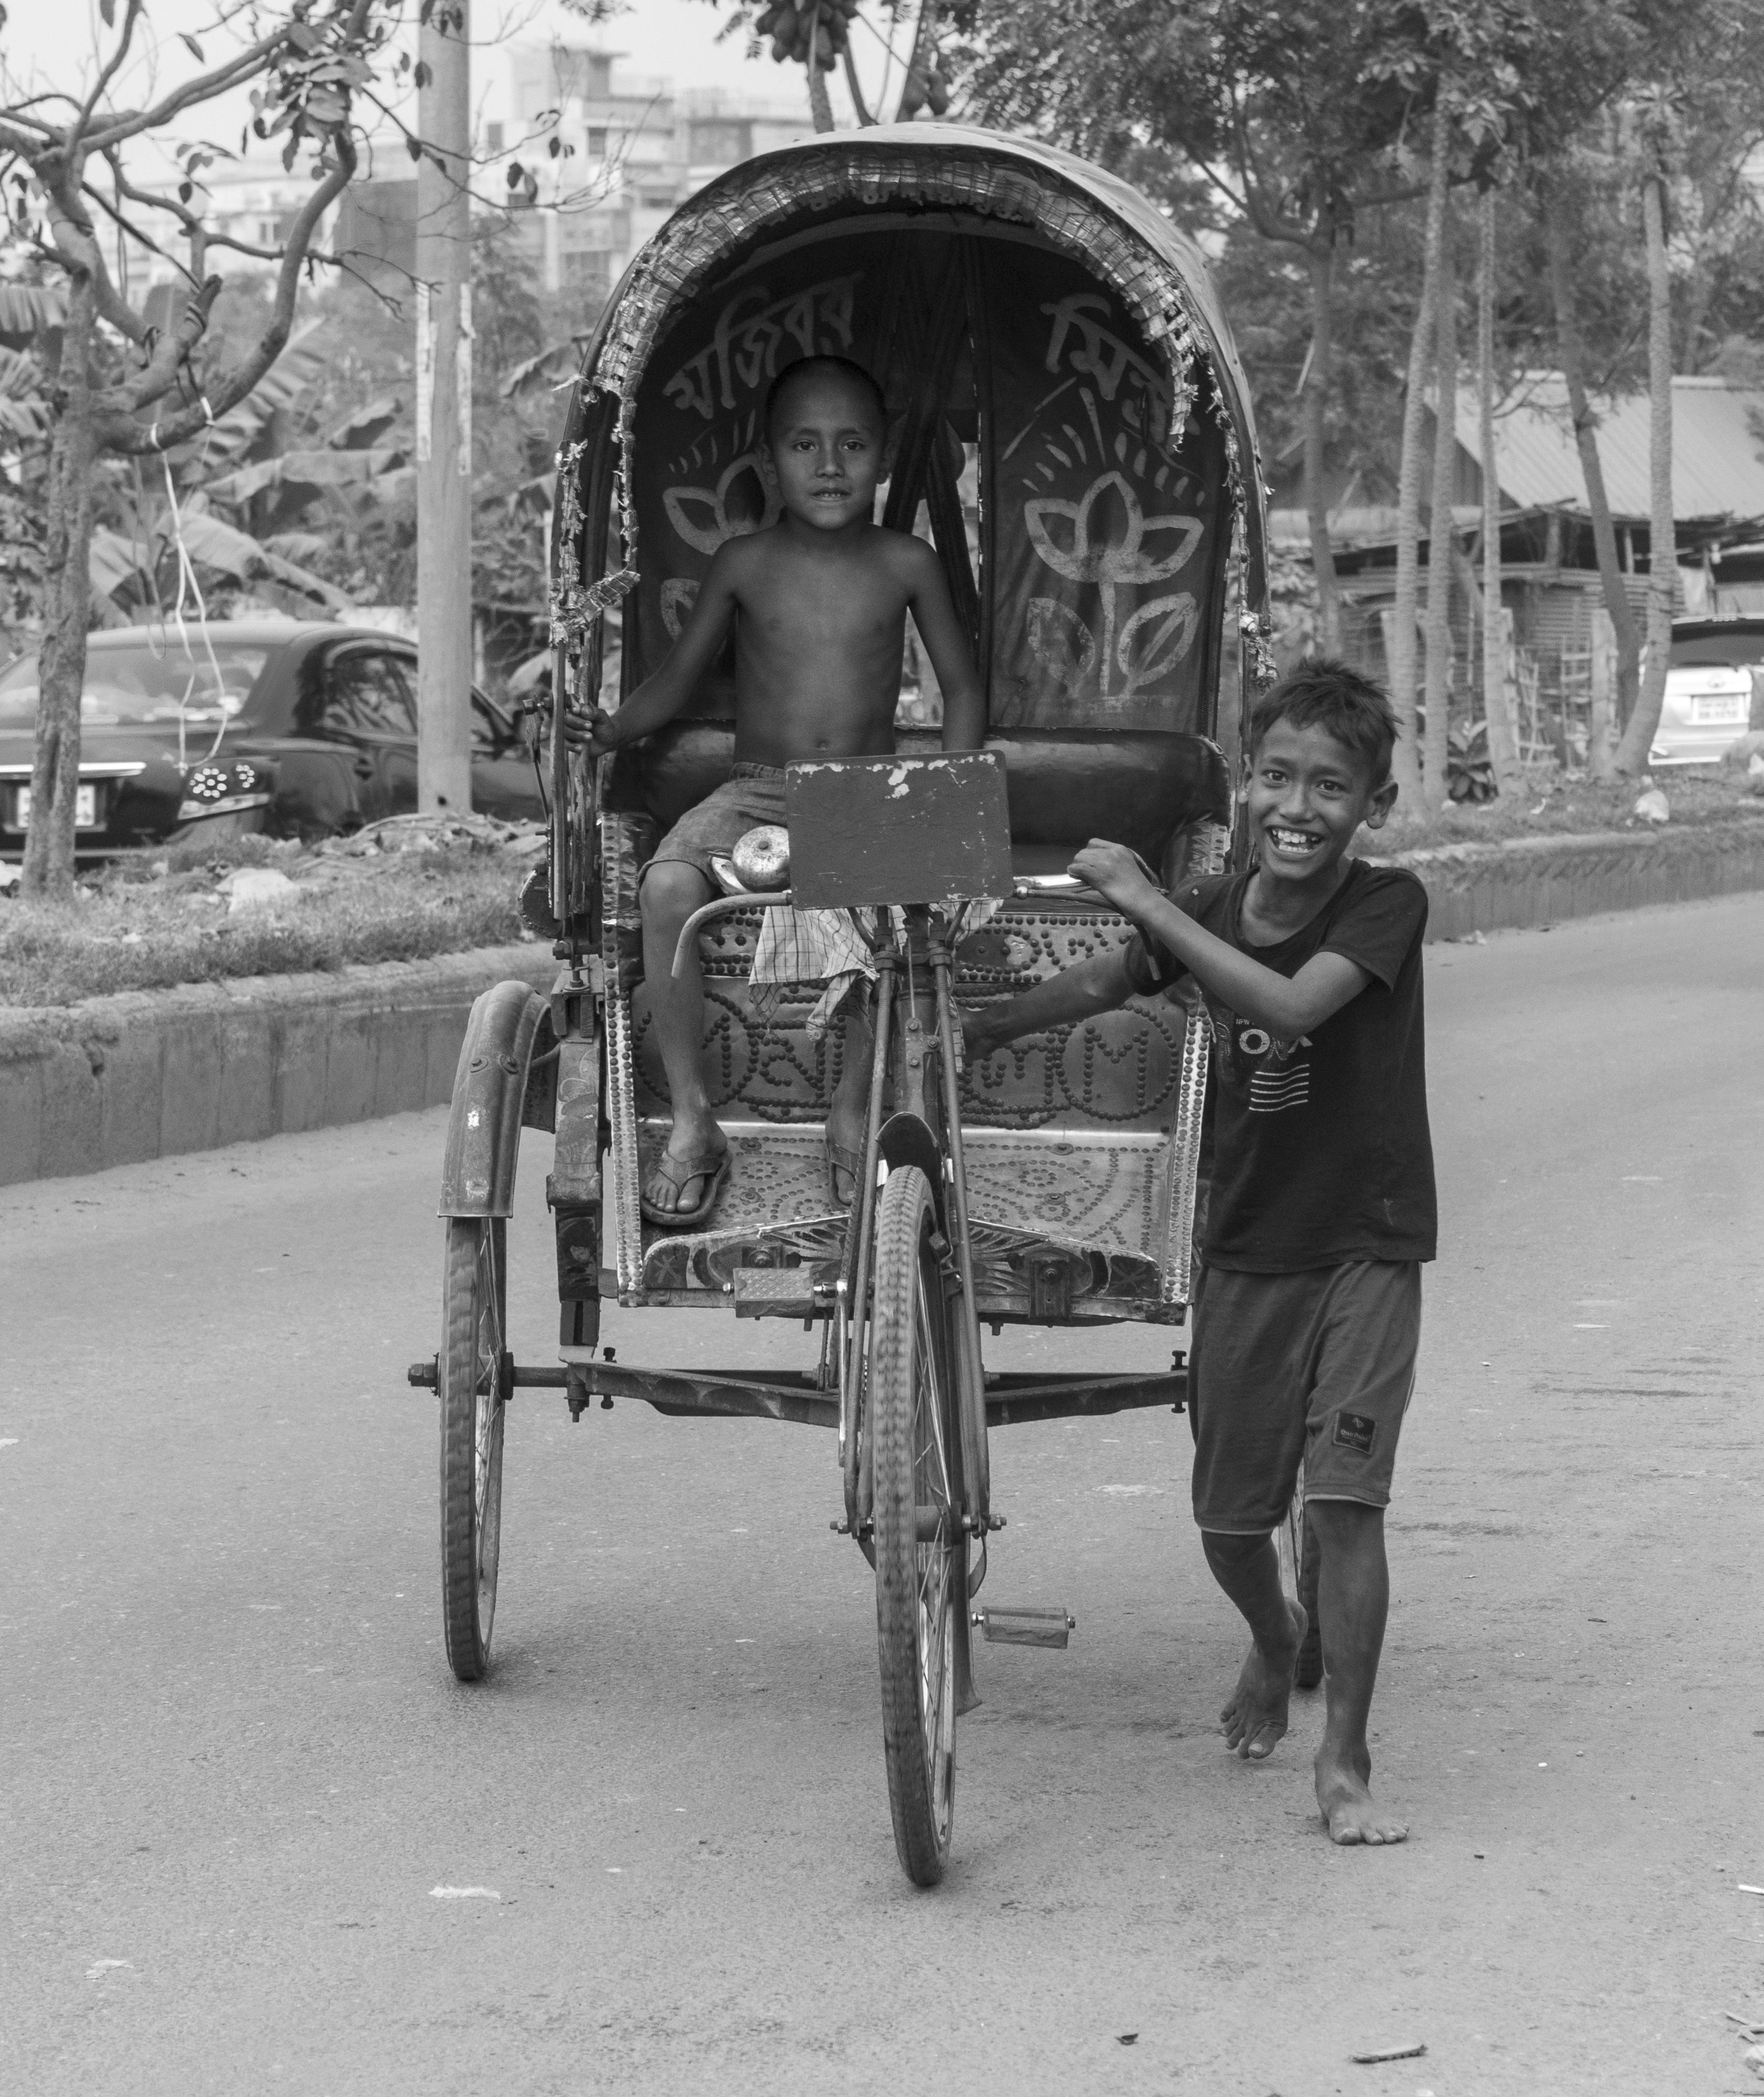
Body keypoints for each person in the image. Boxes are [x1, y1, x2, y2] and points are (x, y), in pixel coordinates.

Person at [964, 659, 1434, 1846]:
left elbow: (1285, 1008)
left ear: (1369, 807)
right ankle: (1276, 1640)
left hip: (1365, 1247)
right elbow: (1101, 980)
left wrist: (1146, 897)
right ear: (1248, 791)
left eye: (1330, 787)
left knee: (1343, 1506)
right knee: (1230, 1527)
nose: (1298, 806)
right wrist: (977, 1021)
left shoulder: (1387, 903)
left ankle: (1346, 1761)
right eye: (1276, 776)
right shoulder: (1218, 905)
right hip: (1247, 1250)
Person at [568, 354, 986, 1225]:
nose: (829, 465)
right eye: (805, 444)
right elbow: (678, 679)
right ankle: (691, 1119)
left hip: (869, 790)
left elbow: (962, 686)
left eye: (852, 444)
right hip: (756, 792)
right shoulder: (742, 563)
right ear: (770, 459)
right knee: (666, 887)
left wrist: (948, 791)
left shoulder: (907, 561)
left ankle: (852, 1109)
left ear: (882, 454)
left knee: (893, 908)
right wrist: (610, 728)